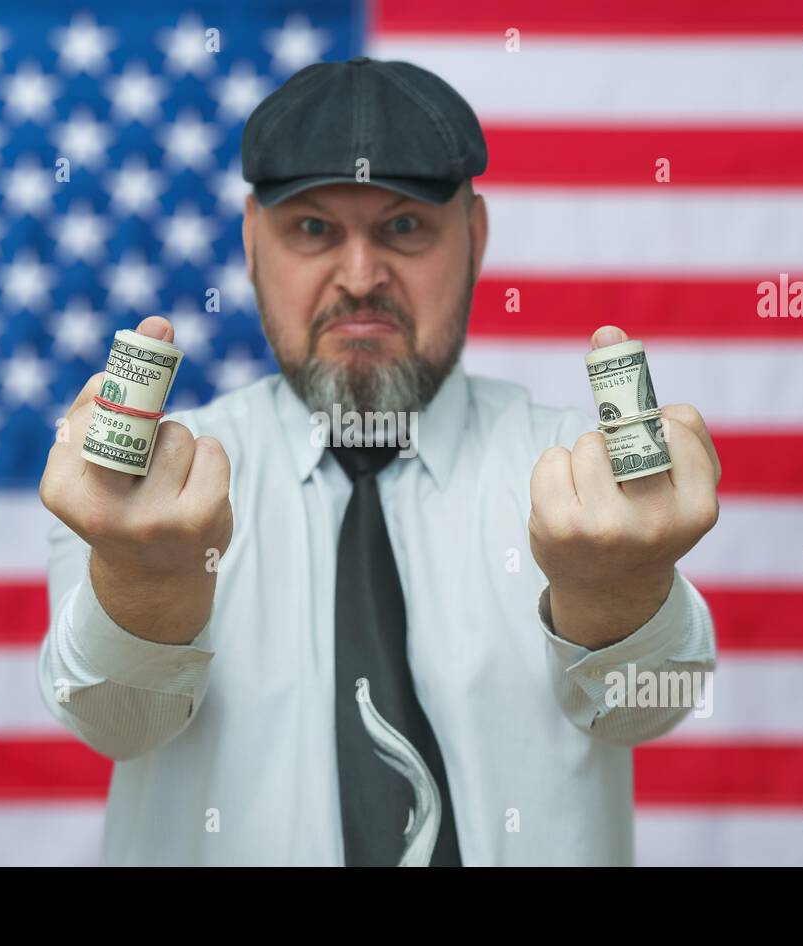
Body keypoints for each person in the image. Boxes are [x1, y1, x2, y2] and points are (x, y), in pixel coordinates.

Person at [38, 57, 720, 866]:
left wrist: (618, 592)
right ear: (252, 242)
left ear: (475, 237)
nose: (360, 279)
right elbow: (118, 721)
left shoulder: (583, 477)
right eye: (314, 230)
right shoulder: (147, 489)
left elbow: (651, 707)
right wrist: (145, 580)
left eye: (404, 226)